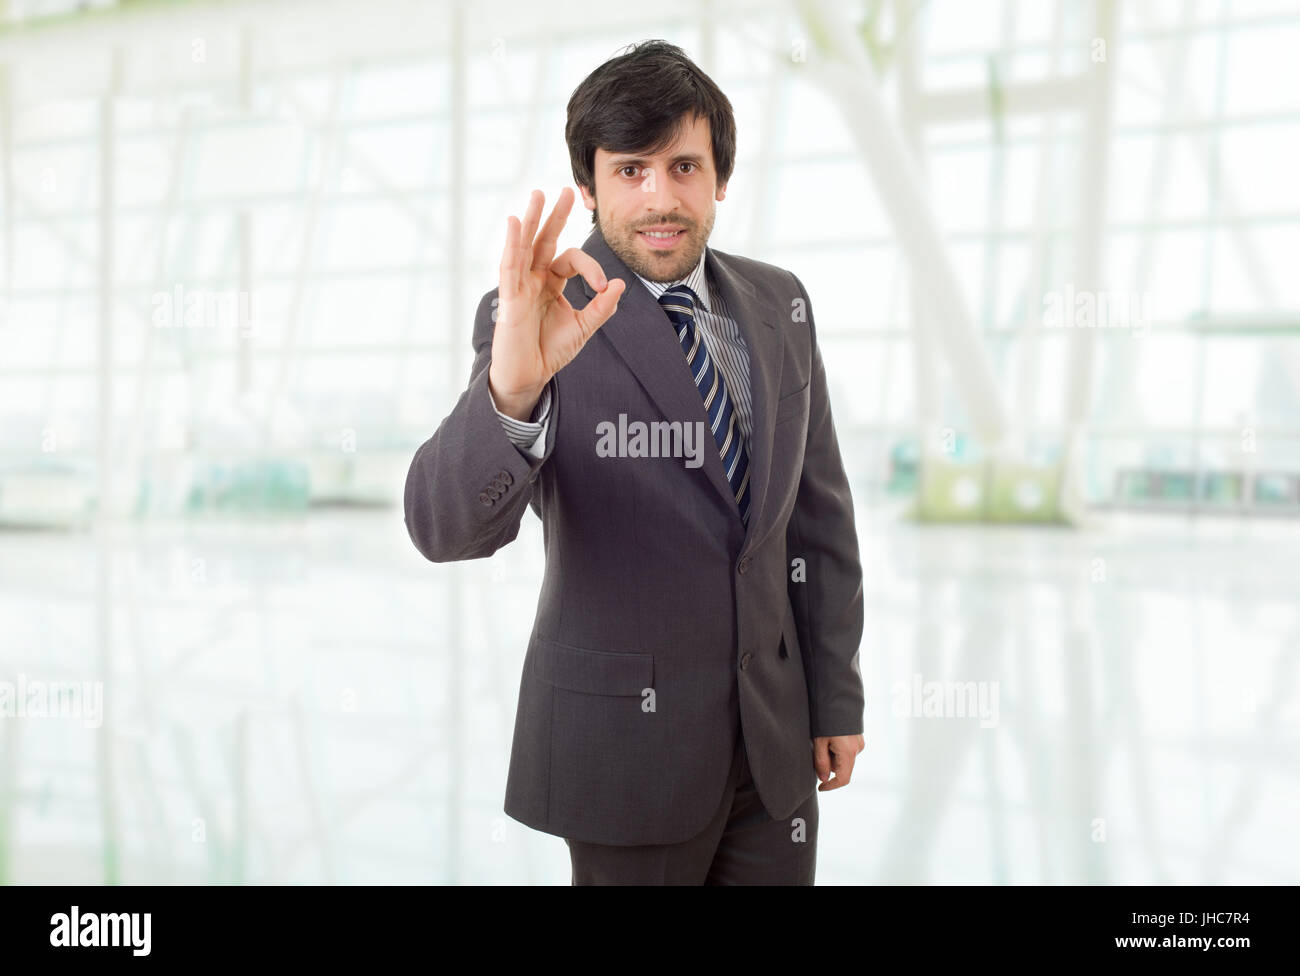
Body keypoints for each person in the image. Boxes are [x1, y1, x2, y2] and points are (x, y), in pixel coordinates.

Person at [404, 39, 864, 884]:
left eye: (684, 166)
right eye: (631, 170)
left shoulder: (780, 303)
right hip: (628, 751)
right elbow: (444, 528)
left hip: (775, 749)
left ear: (719, 178)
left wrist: (834, 696)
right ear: (588, 186)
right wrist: (512, 388)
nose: (662, 197)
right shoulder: (535, 315)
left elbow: (818, 519)